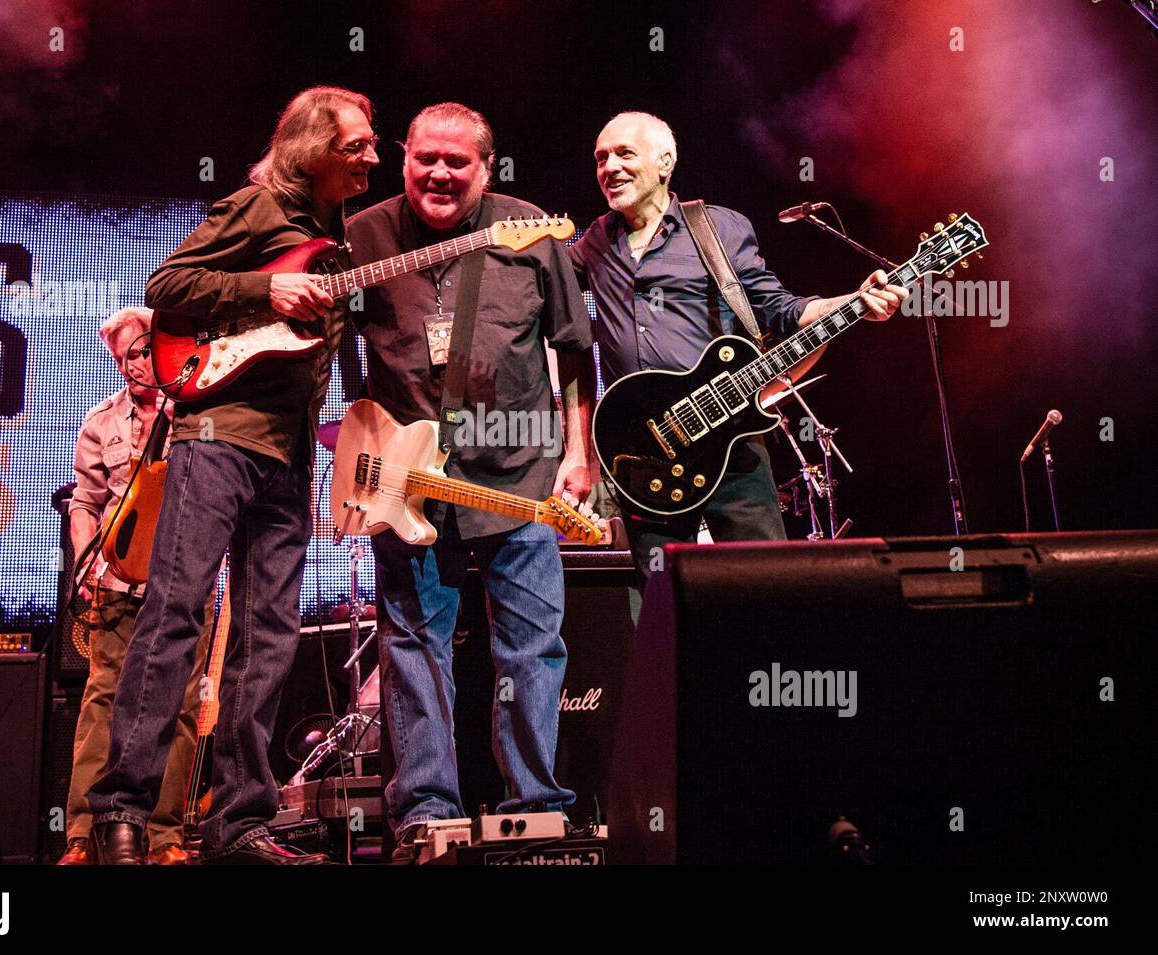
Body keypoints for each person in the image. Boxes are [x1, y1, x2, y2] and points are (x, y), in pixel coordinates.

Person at [86, 85, 378, 865]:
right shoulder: (254, 209)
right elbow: (166, 288)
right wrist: (263, 287)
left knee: (268, 635)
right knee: (177, 612)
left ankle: (239, 822)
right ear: (314, 148)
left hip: (287, 453)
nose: (372, 155)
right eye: (358, 144)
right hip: (217, 437)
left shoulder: (339, 233)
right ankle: (120, 812)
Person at [345, 103, 597, 862]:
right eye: (426, 157)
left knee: (532, 646)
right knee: (414, 645)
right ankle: (425, 810)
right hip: (406, 483)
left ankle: (537, 806)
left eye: (458, 161)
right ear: (404, 158)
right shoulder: (365, 236)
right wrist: (358, 444)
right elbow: (327, 342)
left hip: (518, 479)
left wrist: (576, 450)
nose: (440, 173)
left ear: (487, 166)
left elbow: (575, 350)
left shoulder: (532, 231)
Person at [569, 111, 907, 589]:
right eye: (601, 158)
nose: (610, 167)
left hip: (731, 440)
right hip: (642, 453)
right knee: (667, 603)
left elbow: (781, 309)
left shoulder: (717, 228)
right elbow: (545, 309)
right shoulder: (593, 244)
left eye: (625, 154)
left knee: (764, 589)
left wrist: (853, 302)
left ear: (665, 163)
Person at [59, 306, 209, 866]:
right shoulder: (101, 423)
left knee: (183, 704)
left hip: (184, 581)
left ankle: (164, 838)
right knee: (102, 700)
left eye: (144, 352)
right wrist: (86, 565)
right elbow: (84, 505)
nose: (136, 366)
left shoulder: (198, 414)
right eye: (126, 358)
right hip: (118, 584)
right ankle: (81, 836)